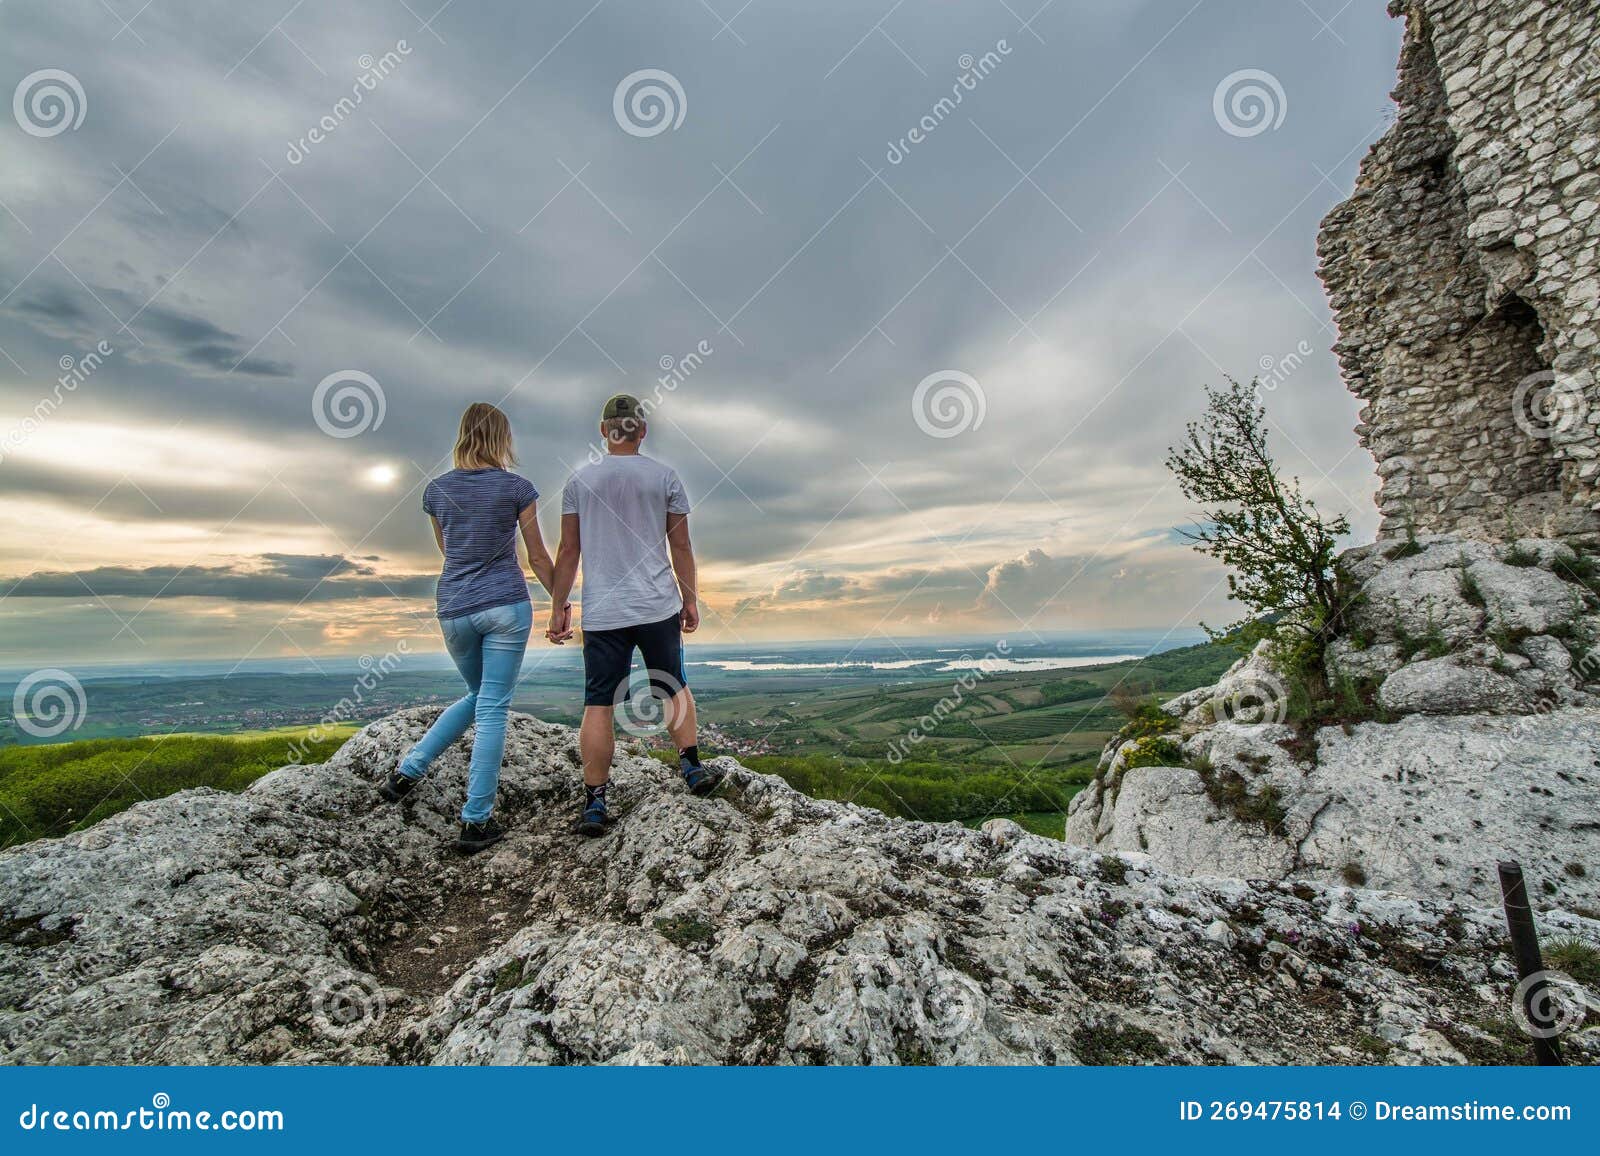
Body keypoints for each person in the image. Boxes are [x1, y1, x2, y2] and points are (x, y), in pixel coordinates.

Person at [378, 402, 570, 852]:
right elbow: (538, 556)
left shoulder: (436, 491)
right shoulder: (516, 488)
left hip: (454, 608)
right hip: (504, 604)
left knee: (477, 695)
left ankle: (406, 774)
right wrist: (560, 604)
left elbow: (449, 552)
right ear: (502, 440)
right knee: (492, 709)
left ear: (463, 435)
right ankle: (475, 821)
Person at [547, 393, 717, 837]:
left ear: (604, 430)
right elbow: (681, 546)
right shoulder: (665, 477)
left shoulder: (579, 481)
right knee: (672, 685)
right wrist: (691, 599)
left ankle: (595, 803)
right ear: (642, 431)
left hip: (604, 610)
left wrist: (558, 606)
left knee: (599, 702)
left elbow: (569, 550)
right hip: (656, 603)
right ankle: (693, 769)